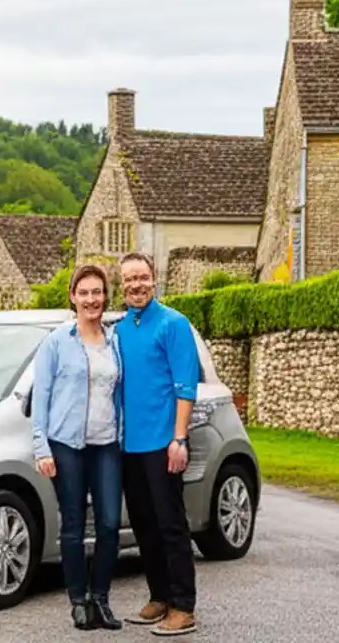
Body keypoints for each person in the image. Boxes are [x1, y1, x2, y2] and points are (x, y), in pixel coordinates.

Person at [31, 263, 125, 631]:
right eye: (84, 293)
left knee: (109, 525)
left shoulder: (115, 341)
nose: (91, 299)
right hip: (66, 444)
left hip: (106, 444)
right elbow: (42, 396)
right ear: (72, 297)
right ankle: (78, 601)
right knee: (73, 525)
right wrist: (41, 447)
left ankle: (100, 598)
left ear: (105, 296)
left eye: (97, 292)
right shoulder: (56, 342)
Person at [115, 252, 201, 637]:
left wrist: (179, 439)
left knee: (171, 526)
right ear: (122, 286)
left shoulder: (174, 324)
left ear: (154, 279)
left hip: (164, 443)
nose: (136, 285)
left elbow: (185, 387)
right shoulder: (120, 330)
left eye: (142, 277)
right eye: (129, 279)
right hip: (129, 445)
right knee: (145, 525)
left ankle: (183, 606)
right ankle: (159, 596)